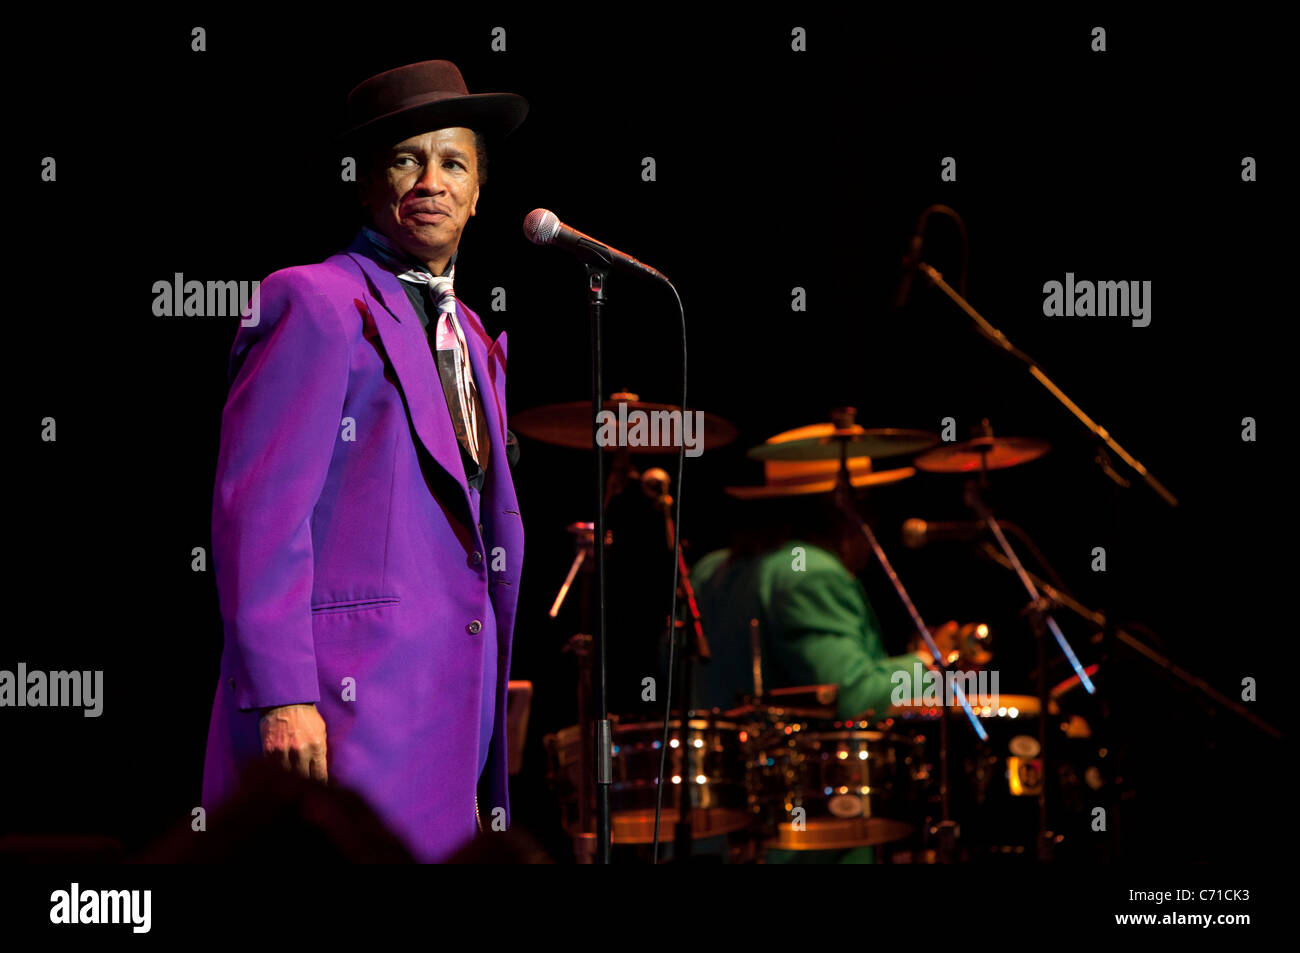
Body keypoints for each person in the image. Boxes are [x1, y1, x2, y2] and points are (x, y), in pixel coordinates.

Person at [200, 60, 527, 863]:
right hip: (349, 705)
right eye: (405, 159)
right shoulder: (312, 301)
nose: (431, 181)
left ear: (479, 191)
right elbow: (259, 512)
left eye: (453, 162)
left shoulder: (478, 341)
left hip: (455, 708)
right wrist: (283, 694)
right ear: (366, 184)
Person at [689, 427, 961, 862]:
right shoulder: (809, 572)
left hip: (710, 833)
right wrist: (930, 666)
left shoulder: (710, 570)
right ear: (845, 507)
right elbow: (852, 695)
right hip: (802, 839)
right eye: (868, 506)